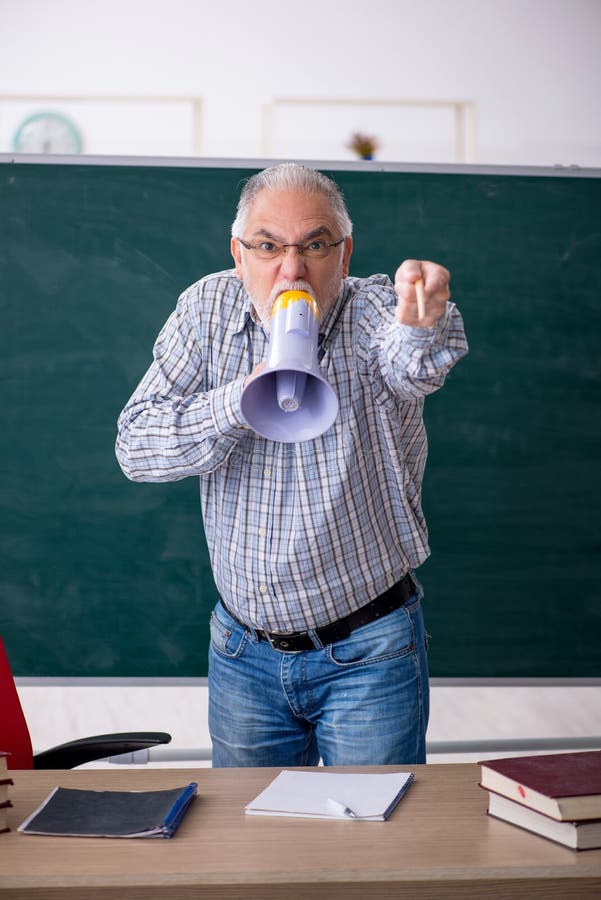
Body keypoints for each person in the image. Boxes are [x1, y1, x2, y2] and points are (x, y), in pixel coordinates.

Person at [116, 162, 468, 767]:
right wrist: (242, 397)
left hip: (370, 651)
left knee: (373, 845)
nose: (291, 268)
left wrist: (420, 322)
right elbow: (137, 447)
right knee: (251, 852)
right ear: (238, 253)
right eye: (268, 246)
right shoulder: (206, 311)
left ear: (345, 253)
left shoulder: (376, 310)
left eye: (315, 245)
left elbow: (412, 367)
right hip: (241, 655)